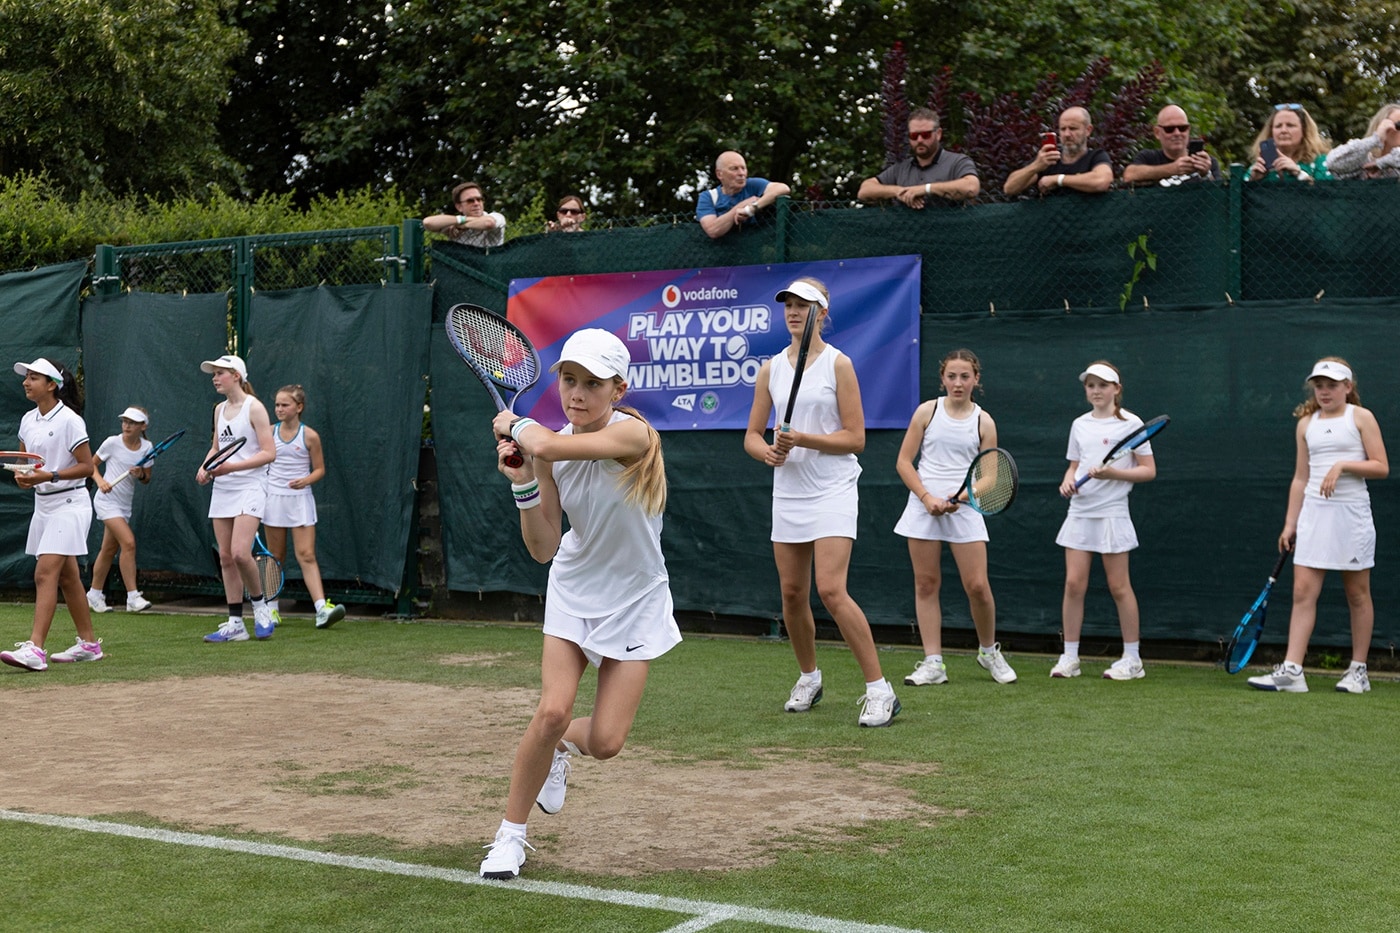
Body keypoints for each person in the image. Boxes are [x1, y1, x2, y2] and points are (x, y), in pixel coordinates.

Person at [477, 328, 680, 880]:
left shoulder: (634, 434)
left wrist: (516, 427)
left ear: (619, 388)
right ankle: (509, 838)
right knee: (551, 709)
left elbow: (545, 442)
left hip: (636, 597)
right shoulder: (550, 447)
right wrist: (522, 486)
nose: (578, 393)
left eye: (593, 383)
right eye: (569, 380)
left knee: (609, 742)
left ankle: (564, 747)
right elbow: (543, 547)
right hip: (573, 586)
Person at [743, 277, 900, 727]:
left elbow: (856, 438)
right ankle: (809, 677)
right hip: (789, 490)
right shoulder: (771, 369)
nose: (794, 311)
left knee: (830, 589)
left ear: (823, 312)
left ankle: (879, 690)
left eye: (804, 304)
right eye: (788, 304)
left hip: (833, 487)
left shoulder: (839, 365)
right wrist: (768, 451)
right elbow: (752, 437)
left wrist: (804, 438)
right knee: (792, 594)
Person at [1249, 358, 1388, 694]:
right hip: (1313, 515)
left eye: (1333, 384)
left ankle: (1358, 671)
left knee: (1357, 594)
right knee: (1302, 592)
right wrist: (1290, 523)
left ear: (1348, 387)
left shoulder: (1361, 418)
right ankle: (1293, 671)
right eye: (1320, 385)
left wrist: (1342, 465)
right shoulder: (1306, 424)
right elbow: (1301, 477)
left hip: (1351, 516)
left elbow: (1381, 466)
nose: (1325, 391)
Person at [894, 349, 1016, 687]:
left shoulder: (984, 422)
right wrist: (927, 498)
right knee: (926, 583)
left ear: (976, 379)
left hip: (965, 509)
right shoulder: (926, 412)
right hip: (923, 506)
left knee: (977, 585)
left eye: (965, 376)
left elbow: (989, 476)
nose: (958, 383)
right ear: (942, 379)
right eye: (952, 376)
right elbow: (904, 462)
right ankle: (933, 663)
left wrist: (959, 498)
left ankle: (988, 652)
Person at [1052, 362, 1157, 680]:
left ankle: (1133, 659)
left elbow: (1148, 470)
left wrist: (1113, 472)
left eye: (1102, 385)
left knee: (1119, 586)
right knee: (1073, 584)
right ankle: (1070, 657)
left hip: (1112, 512)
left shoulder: (1132, 424)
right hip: (1081, 511)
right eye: (1090, 385)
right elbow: (1074, 465)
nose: (1096, 390)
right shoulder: (1079, 425)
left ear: (1117, 389)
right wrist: (1068, 480)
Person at [1, 359, 100, 670]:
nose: (26, 383)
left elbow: (87, 467)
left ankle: (35, 649)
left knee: (44, 573)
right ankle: (88, 644)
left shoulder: (70, 420)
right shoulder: (28, 420)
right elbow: (26, 462)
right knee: (69, 579)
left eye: (33, 378)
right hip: (43, 506)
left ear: (52, 384)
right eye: (26, 378)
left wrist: (50, 476)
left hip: (70, 503)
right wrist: (24, 476)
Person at [195, 354, 278, 644]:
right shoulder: (218, 409)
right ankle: (235, 623)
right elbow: (217, 447)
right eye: (214, 373)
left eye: (221, 373)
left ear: (237, 376)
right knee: (227, 557)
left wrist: (232, 467)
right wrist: (205, 466)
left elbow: (269, 453)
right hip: (224, 488)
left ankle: (260, 607)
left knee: (242, 552)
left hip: (251, 485)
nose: (215, 378)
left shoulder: (255, 408)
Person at [262, 385, 345, 630]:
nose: (279, 409)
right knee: (274, 557)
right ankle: (271, 610)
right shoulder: (268, 433)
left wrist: (305, 480)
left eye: (284, 405)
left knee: (306, 555)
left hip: (300, 500)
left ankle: (321, 609)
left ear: (299, 408)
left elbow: (319, 469)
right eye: (276, 405)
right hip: (274, 499)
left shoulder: (310, 436)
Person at [86, 406, 155, 615]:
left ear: (142, 426)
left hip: (124, 505)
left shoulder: (147, 447)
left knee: (108, 550)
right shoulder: (112, 442)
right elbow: (90, 465)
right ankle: (133, 596)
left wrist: (139, 473)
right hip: (106, 501)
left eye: (132, 423)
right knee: (129, 543)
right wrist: (100, 481)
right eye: (124, 421)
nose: (126, 425)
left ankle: (94, 594)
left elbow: (147, 479)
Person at [857, 107, 980, 206]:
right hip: (907, 235)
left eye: (925, 135)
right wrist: (899, 191)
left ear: (938, 134)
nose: (920, 140)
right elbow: (865, 191)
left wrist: (926, 189)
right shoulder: (901, 168)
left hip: (949, 234)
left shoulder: (958, 161)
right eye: (914, 136)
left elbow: (971, 187)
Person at [1003, 106, 1113, 197]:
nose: (1067, 134)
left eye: (1073, 128)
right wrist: (1036, 166)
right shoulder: (1049, 160)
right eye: (1063, 129)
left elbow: (1101, 181)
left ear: (1088, 130)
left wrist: (1058, 179)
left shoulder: (1096, 156)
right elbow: (1009, 189)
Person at [695, 150, 792, 239]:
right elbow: (713, 230)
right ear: (719, 174)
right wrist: (742, 206)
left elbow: (783, 189)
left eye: (743, 168)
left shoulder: (752, 185)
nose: (741, 173)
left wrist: (751, 209)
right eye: (734, 169)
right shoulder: (708, 197)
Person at [1121, 105, 1221, 186]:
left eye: (1182, 128)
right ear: (1157, 132)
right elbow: (1129, 175)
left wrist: (1206, 174)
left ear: (1188, 130)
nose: (1177, 133)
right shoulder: (1148, 158)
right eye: (1169, 129)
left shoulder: (1207, 162)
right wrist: (1172, 169)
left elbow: (1218, 198)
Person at [1247, 104, 1331, 183]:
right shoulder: (1261, 165)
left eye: (1290, 125)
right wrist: (1253, 181)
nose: (1283, 130)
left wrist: (1299, 174)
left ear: (1304, 130)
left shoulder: (1320, 162)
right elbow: (1237, 195)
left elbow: (1328, 194)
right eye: (1278, 126)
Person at [1325, 103, 1400, 179]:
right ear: (1382, 127)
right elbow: (1332, 162)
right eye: (1399, 124)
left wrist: (1382, 163)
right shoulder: (1362, 157)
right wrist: (1376, 138)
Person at [422, 181, 507, 247]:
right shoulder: (456, 223)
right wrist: (461, 220)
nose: (476, 203)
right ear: (459, 207)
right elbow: (428, 222)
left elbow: (488, 223)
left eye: (479, 199)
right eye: (470, 201)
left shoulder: (496, 216)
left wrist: (463, 225)